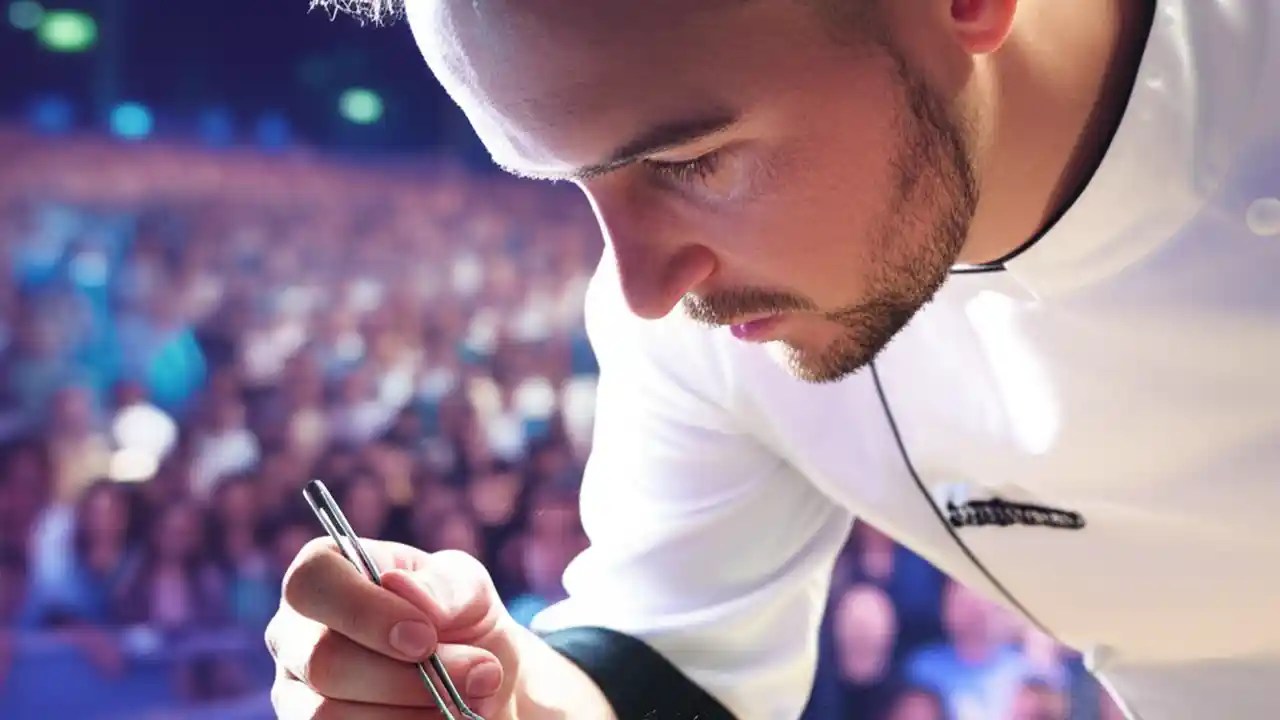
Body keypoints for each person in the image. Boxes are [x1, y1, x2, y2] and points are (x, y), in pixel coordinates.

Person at [267, 1, 1280, 718]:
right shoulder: (703, 330)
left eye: (689, 162)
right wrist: (499, 694)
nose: (643, 291)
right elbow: (671, 666)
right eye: (572, 183)